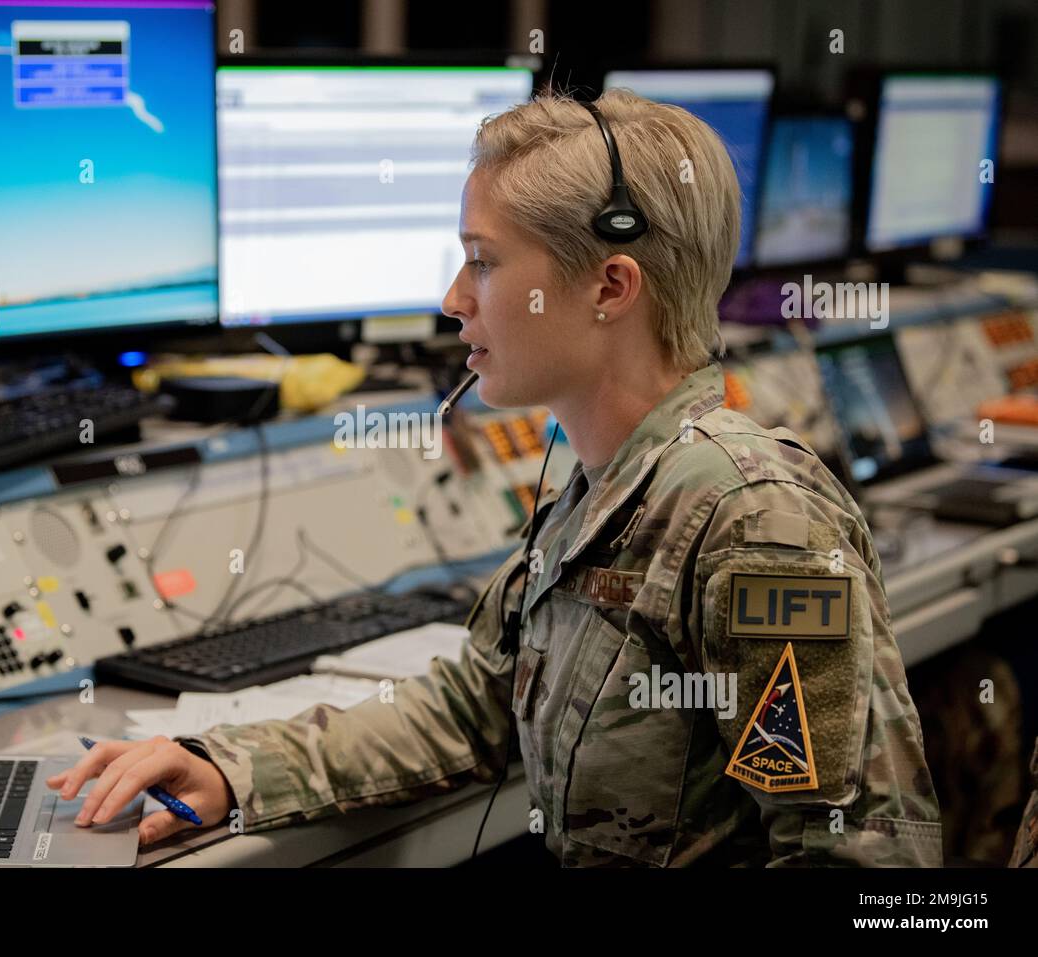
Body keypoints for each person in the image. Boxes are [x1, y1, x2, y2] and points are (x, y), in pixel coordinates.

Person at [46, 89, 943, 866]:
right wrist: (229, 766)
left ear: (610, 285)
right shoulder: (601, 491)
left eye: (483, 260)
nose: (453, 299)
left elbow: (860, 855)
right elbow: (472, 707)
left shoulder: (755, 521)